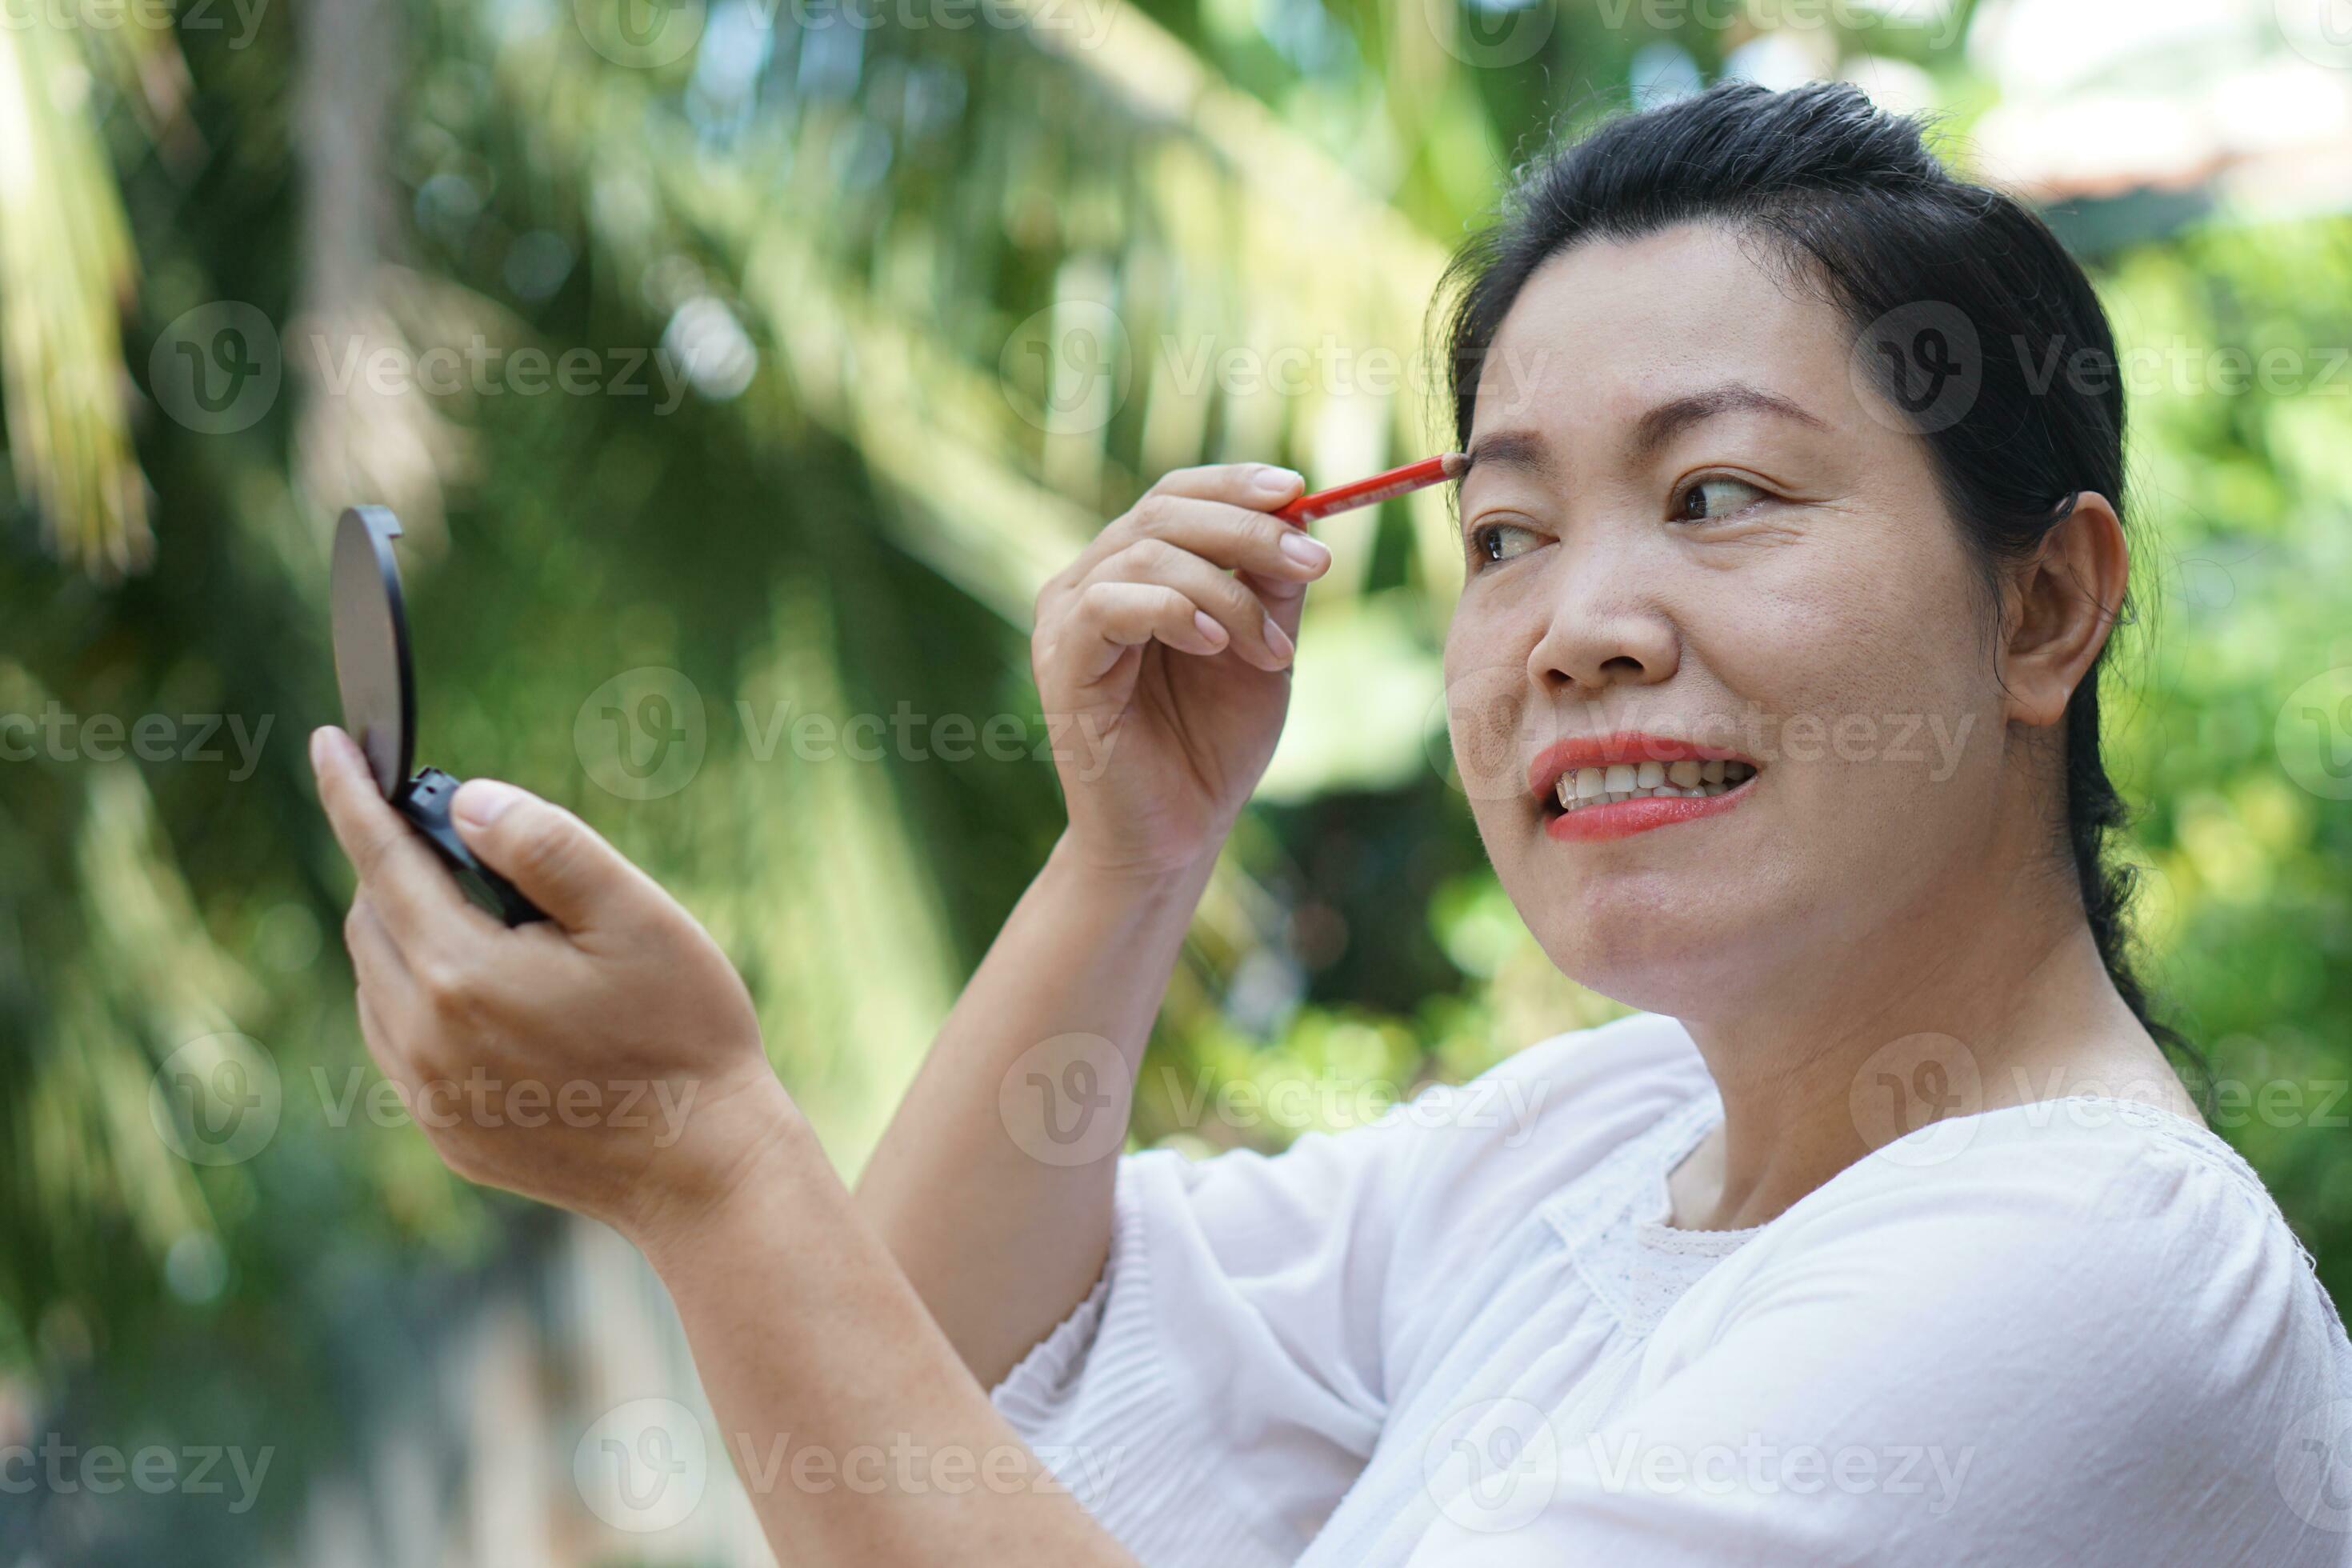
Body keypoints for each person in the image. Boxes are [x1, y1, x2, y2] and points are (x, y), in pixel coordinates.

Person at [313, 81, 2352, 1565]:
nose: (1577, 625)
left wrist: (705, 1159)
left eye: (1717, 493)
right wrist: (1131, 853)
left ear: (2042, 604)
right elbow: (908, 1392)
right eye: (1507, 531)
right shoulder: (1606, 1137)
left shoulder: (2097, 1268)